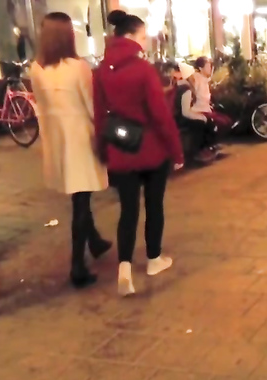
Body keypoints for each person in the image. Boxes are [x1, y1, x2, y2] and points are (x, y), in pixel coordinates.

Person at [94, 10, 185, 296]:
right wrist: (177, 151)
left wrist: (102, 149)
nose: (145, 42)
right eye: (143, 37)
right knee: (154, 205)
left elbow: (99, 116)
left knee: (128, 210)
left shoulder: (100, 71)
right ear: (132, 36)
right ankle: (154, 259)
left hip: (121, 148)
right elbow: (160, 116)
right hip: (150, 149)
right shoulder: (144, 70)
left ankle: (124, 267)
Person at [30, 12, 111, 288]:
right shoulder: (78, 68)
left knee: (78, 196)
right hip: (79, 137)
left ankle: (96, 241)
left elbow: (40, 107)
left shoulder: (36, 68)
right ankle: (78, 264)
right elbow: (91, 105)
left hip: (56, 138)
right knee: (81, 199)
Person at [173, 63, 217, 164]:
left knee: (206, 122)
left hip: (179, 116)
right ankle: (197, 151)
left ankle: (203, 149)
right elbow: (185, 112)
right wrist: (200, 117)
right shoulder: (186, 90)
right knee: (201, 124)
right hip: (181, 118)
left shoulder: (181, 87)